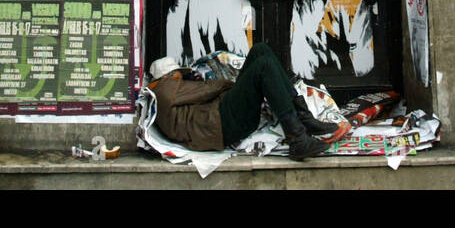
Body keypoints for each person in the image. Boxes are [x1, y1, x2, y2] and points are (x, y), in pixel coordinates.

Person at [147, 43, 345, 161]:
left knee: (260, 50)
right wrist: (229, 83)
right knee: (263, 66)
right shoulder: (163, 89)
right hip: (218, 124)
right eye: (177, 75)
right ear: (165, 77)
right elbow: (209, 89)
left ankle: (304, 119)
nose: (180, 77)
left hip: (218, 118)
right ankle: (297, 138)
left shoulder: (169, 91)